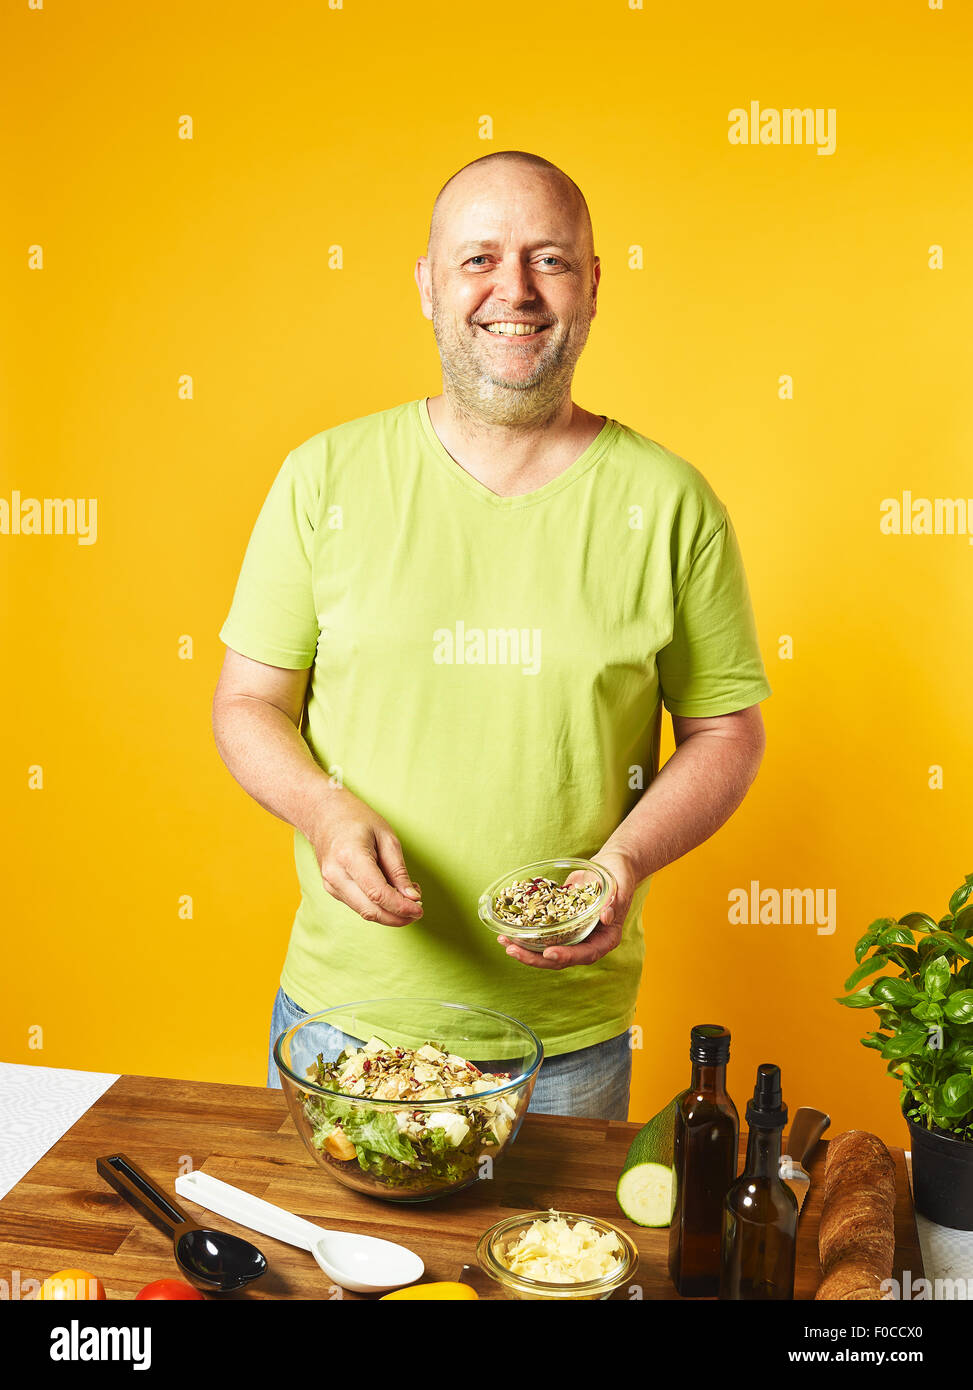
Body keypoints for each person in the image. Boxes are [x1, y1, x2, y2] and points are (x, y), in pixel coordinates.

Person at [213, 149, 771, 1120]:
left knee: (543, 1274)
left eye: (547, 259)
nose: (511, 290)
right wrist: (322, 809)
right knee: (318, 1276)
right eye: (477, 259)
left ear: (592, 285)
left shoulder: (672, 503)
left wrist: (625, 861)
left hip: (565, 1047)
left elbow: (727, 733)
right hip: (342, 1022)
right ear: (427, 283)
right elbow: (247, 702)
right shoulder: (323, 478)